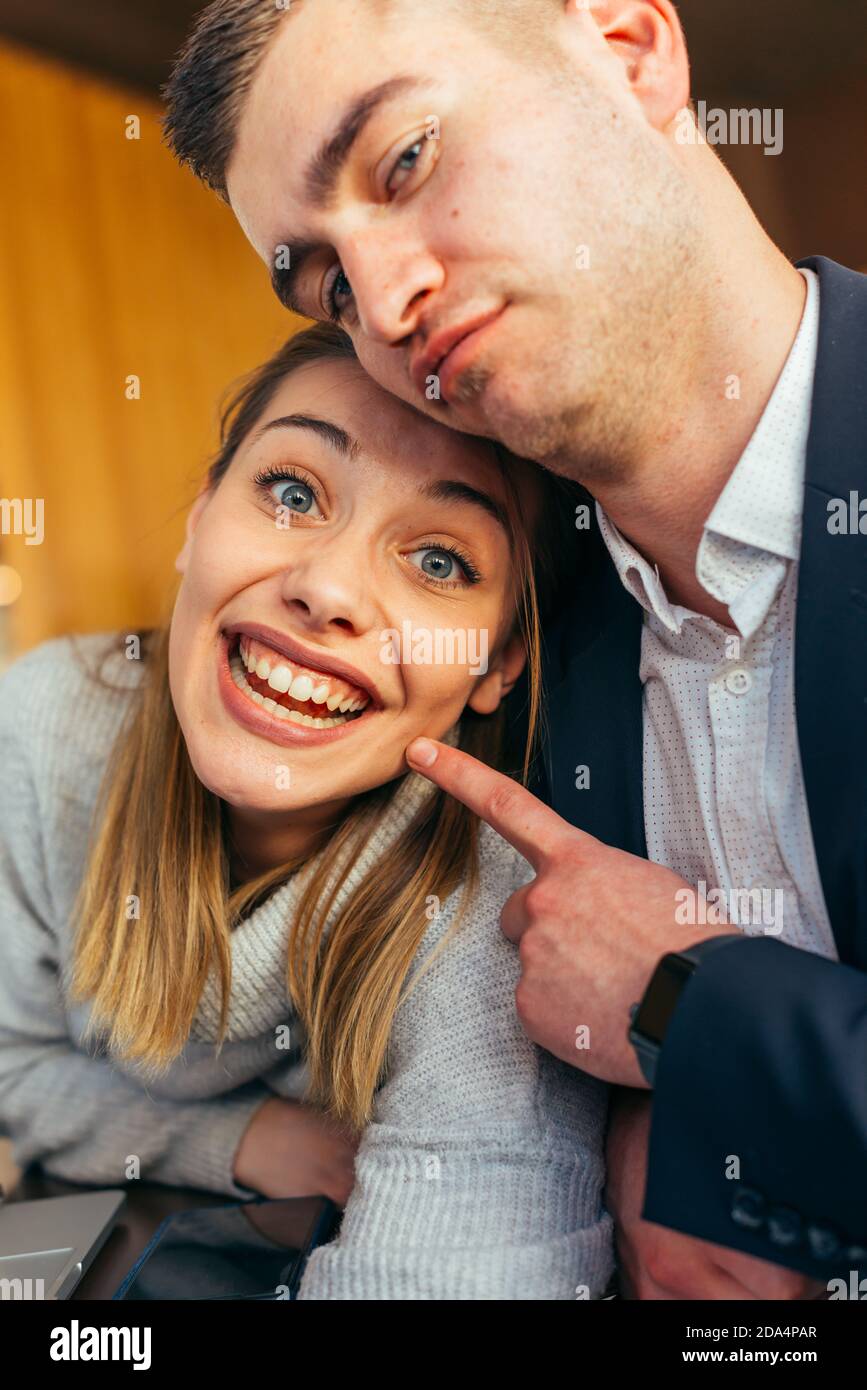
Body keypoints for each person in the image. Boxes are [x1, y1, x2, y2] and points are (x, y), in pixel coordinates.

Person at [163, 0, 867, 1297]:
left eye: (405, 159)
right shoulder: (499, 654)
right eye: (323, 278)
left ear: (627, 49)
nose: (377, 307)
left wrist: (687, 1016)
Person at [0, 323, 612, 1300]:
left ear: (500, 661)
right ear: (200, 517)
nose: (326, 588)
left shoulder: (493, 922)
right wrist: (239, 1138)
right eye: (293, 494)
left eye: (441, 561)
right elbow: (10, 1065)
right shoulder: (43, 729)